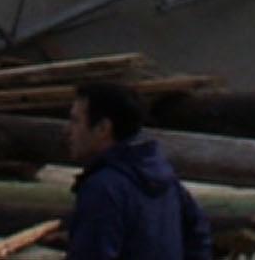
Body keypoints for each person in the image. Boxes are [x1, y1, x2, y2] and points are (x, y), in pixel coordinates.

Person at [63, 81, 213, 260]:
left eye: (75, 121)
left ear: (103, 128)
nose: (67, 130)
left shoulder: (103, 188)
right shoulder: (163, 178)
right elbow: (199, 233)